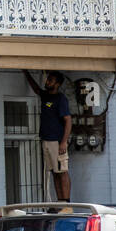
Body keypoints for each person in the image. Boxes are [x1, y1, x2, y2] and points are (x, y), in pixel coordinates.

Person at [22, 70, 73, 201]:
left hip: (57, 141)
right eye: (47, 79)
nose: (47, 82)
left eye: (50, 80)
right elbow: (36, 89)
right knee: (54, 172)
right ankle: (60, 202)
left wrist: (63, 142)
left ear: (57, 84)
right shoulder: (46, 96)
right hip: (46, 139)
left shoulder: (60, 99)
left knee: (62, 171)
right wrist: (26, 73)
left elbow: (68, 120)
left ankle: (66, 203)